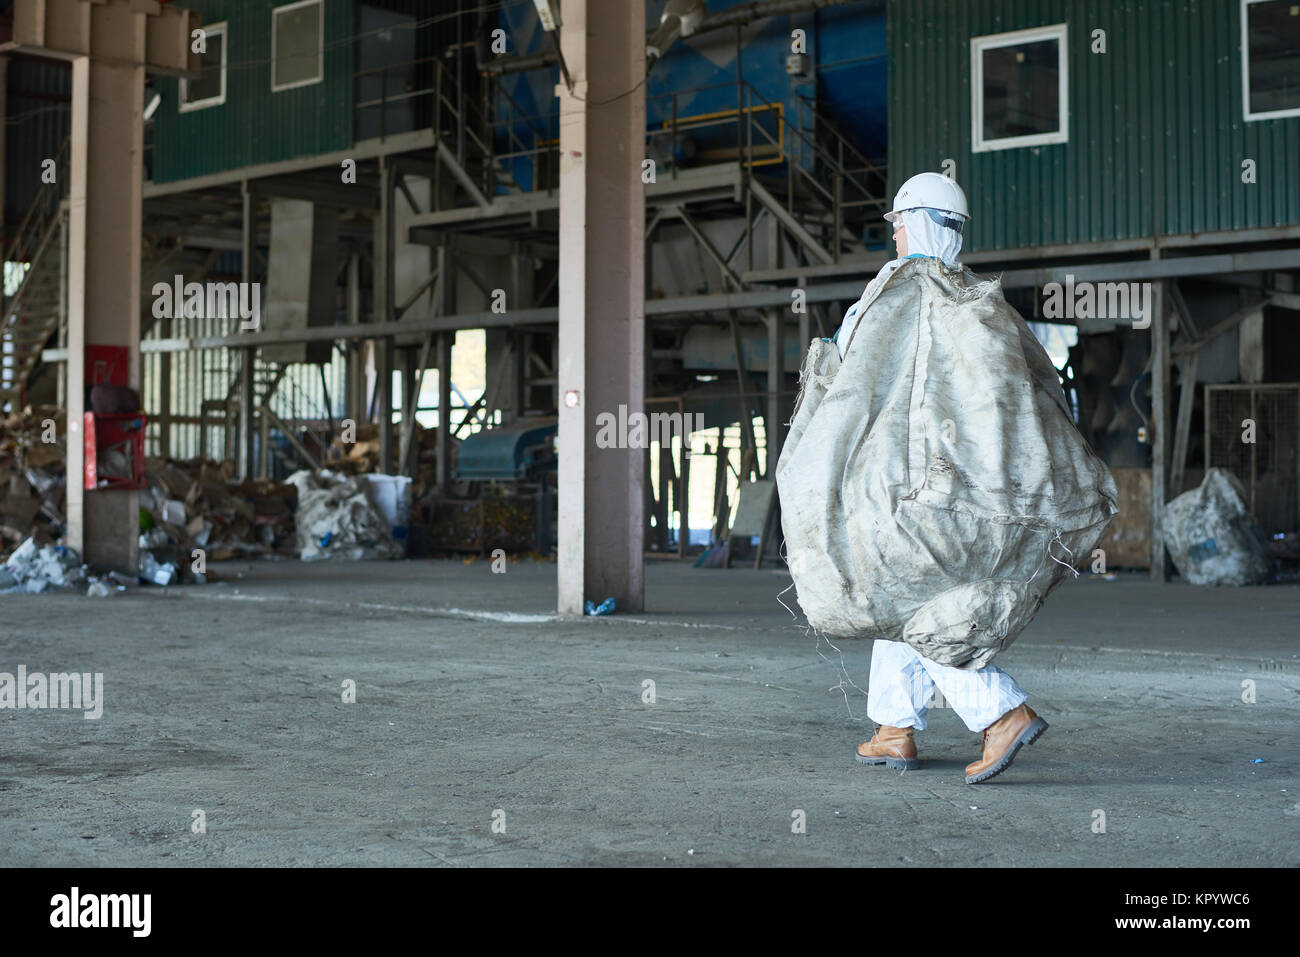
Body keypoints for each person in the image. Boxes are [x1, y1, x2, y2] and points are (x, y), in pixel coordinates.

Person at [840, 172, 1049, 784]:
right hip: (966, 486)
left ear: (920, 221)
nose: (895, 232)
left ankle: (1001, 714)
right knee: (900, 595)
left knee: (916, 601)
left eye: (900, 221)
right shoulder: (978, 299)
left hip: (912, 486)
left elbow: (854, 366)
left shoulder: (902, 292)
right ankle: (893, 728)